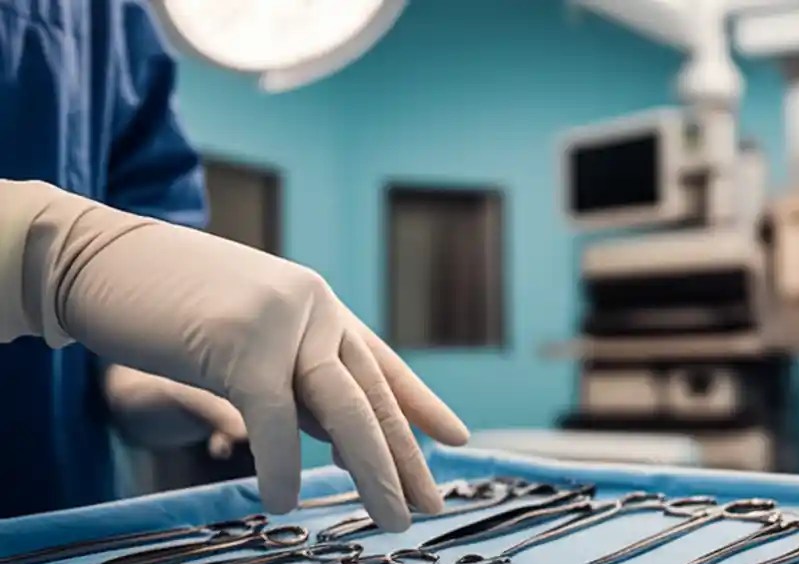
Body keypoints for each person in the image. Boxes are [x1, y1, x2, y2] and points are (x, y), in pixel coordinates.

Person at [0, 0, 466, 530]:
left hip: (60, 526)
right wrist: (36, 252)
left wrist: (145, 380)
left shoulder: (110, 17)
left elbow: (141, 221)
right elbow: (78, 265)